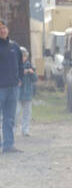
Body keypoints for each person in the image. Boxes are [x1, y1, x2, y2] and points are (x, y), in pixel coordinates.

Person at [0, 20, 21, 154]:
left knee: (9, 118)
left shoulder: (14, 46)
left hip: (13, 88)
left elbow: (20, 64)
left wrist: (20, 79)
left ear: (7, 29)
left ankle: (9, 145)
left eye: (4, 27)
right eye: (0, 28)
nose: (2, 30)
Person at [18, 47, 36, 137]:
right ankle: (12, 130)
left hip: (27, 93)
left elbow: (35, 79)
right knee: (15, 113)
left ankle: (25, 130)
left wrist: (31, 72)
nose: (23, 58)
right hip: (18, 94)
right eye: (21, 56)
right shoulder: (15, 66)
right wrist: (23, 72)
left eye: (24, 56)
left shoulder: (30, 65)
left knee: (27, 113)